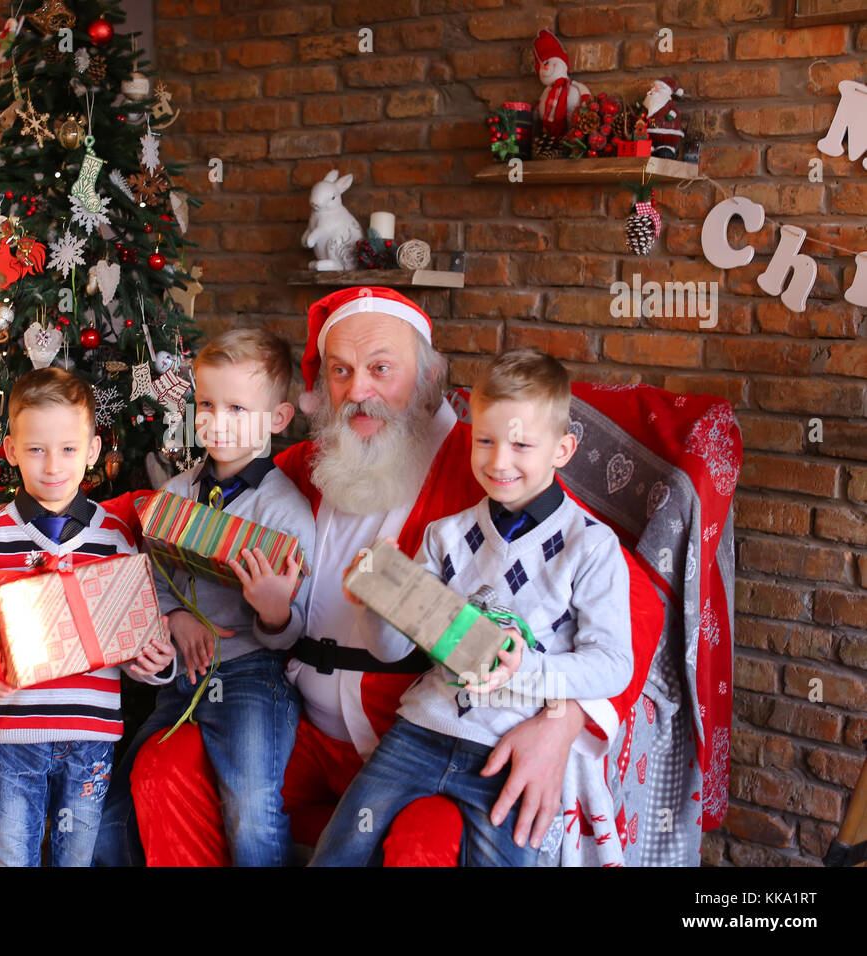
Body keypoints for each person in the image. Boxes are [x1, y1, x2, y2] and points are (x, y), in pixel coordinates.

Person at [126, 286, 652, 866]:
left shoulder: (487, 465)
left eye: (381, 369)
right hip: (292, 723)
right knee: (163, 767)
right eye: (341, 372)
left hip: (414, 736)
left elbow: (634, 608)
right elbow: (154, 515)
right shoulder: (308, 462)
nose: (359, 392)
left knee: (425, 840)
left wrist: (562, 721)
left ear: (429, 377)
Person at [311, 348, 633, 866]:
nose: (498, 461)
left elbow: (614, 666)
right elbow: (393, 650)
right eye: (484, 440)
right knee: (339, 849)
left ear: (562, 449)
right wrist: (378, 597)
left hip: (505, 751)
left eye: (521, 445)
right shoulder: (447, 535)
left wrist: (529, 669)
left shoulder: (591, 547)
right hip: (421, 730)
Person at [95, 329, 315, 867]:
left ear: (278, 420)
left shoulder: (285, 514)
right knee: (108, 819)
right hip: (181, 682)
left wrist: (273, 609)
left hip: (250, 678)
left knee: (251, 803)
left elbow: (296, 628)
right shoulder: (174, 495)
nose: (216, 421)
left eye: (238, 408)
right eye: (207, 405)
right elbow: (153, 578)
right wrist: (173, 618)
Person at [0, 367, 176, 867]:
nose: (53, 465)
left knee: (77, 859)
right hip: (11, 736)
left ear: (93, 450)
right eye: (36, 449)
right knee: (9, 857)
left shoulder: (116, 538)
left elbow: (139, 634)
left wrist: (150, 661)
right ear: (9, 450)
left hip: (90, 736)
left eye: (69, 449)